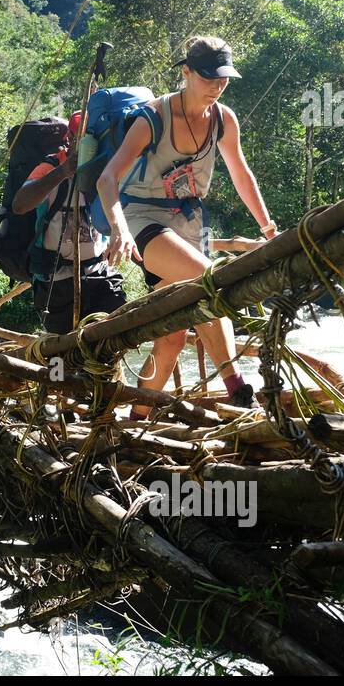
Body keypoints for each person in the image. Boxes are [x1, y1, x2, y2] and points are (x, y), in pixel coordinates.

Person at [95, 36, 276, 411]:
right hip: (142, 219)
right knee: (210, 280)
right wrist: (119, 229)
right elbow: (107, 179)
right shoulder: (153, 118)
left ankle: (136, 417)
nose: (217, 86)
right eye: (209, 78)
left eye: (223, 79)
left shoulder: (223, 119)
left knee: (172, 338)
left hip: (189, 225)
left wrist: (269, 230)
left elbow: (242, 175)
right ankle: (238, 391)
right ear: (186, 72)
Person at [11, 112, 130, 334]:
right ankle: (58, 370)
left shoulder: (108, 169)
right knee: (61, 351)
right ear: (70, 140)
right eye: (82, 141)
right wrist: (63, 172)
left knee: (114, 337)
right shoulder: (50, 166)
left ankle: (104, 370)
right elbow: (20, 205)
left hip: (100, 272)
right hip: (57, 279)